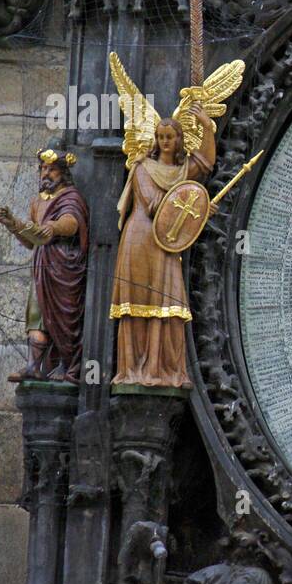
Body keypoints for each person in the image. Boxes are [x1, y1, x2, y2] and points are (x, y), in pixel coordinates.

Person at [109, 103, 214, 388]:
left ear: (179, 140)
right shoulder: (143, 168)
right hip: (142, 238)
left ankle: (164, 369)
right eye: (161, 136)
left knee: (169, 302)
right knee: (141, 301)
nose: (165, 141)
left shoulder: (181, 171)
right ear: (156, 139)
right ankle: (135, 369)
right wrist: (195, 204)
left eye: (171, 136)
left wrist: (206, 125)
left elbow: (205, 163)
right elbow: (155, 205)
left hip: (166, 242)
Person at [0, 145, 89, 383]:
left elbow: (71, 223)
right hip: (41, 266)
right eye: (43, 169)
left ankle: (69, 366)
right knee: (37, 315)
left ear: (63, 173)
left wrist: (53, 227)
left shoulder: (71, 197)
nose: (46, 174)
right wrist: (12, 224)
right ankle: (33, 366)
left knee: (62, 316)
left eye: (52, 170)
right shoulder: (37, 203)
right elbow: (32, 241)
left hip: (63, 267)